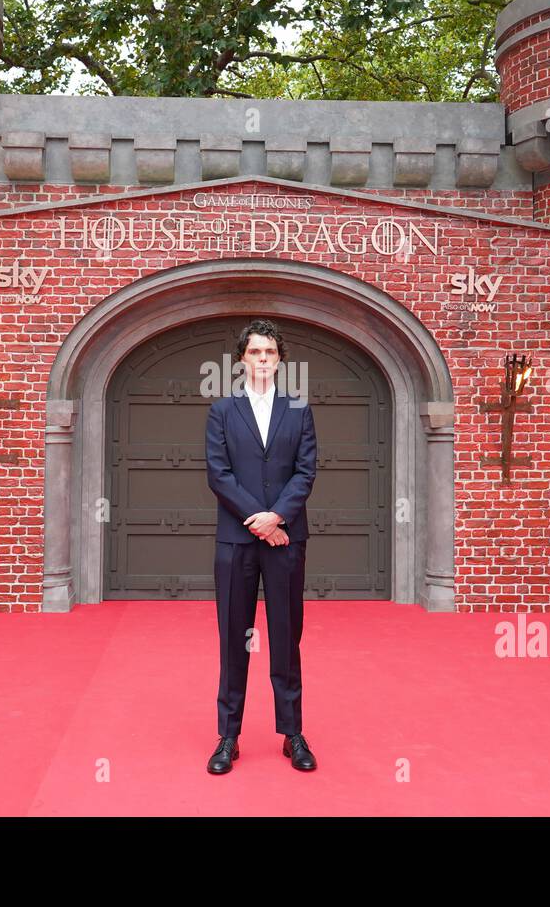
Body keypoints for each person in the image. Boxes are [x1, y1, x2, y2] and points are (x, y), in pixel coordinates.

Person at [203, 319, 318, 774]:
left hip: (287, 537)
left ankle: (293, 734)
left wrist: (278, 517)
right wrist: (261, 522)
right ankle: (227, 737)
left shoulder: (300, 409)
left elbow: (305, 472)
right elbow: (219, 474)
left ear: (280, 359)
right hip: (237, 539)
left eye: (270, 352)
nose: (264, 360)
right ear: (242, 359)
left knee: (286, 637)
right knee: (234, 637)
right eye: (256, 352)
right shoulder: (223, 411)